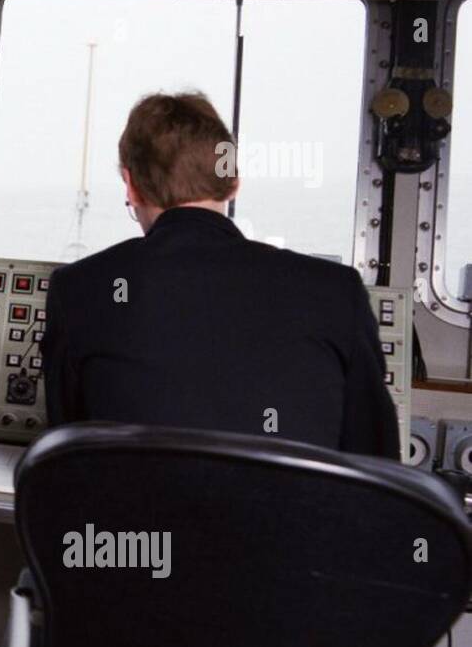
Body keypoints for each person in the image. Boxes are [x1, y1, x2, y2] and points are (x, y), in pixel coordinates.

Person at [40, 91, 399, 458]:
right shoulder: (337, 292)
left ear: (131, 186)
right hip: (291, 516)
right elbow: (377, 464)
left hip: (131, 516)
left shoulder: (78, 289)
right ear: (233, 182)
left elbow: (67, 454)